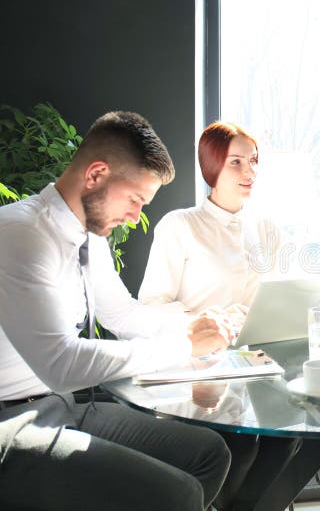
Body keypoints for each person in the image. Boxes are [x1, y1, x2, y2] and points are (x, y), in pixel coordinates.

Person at [0, 111, 232, 510]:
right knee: (178, 493)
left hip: (63, 405)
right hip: (10, 421)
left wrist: (191, 324)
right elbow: (61, 363)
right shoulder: (21, 234)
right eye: (135, 198)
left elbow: (120, 314)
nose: (136, 214)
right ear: (96, 175)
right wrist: (183, 346)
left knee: (210, 453)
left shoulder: (89, 235)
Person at [139, 121, 298, 511]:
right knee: (238, 445)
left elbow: (280, 295)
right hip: (200, 370)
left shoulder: (268, 228)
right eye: (236, 163)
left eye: (254, 162)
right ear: (212, 168)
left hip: (257, 366)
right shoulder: (181, 225)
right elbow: (151, 304)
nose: (250, 173)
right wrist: (205, 320)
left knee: (291, 432)